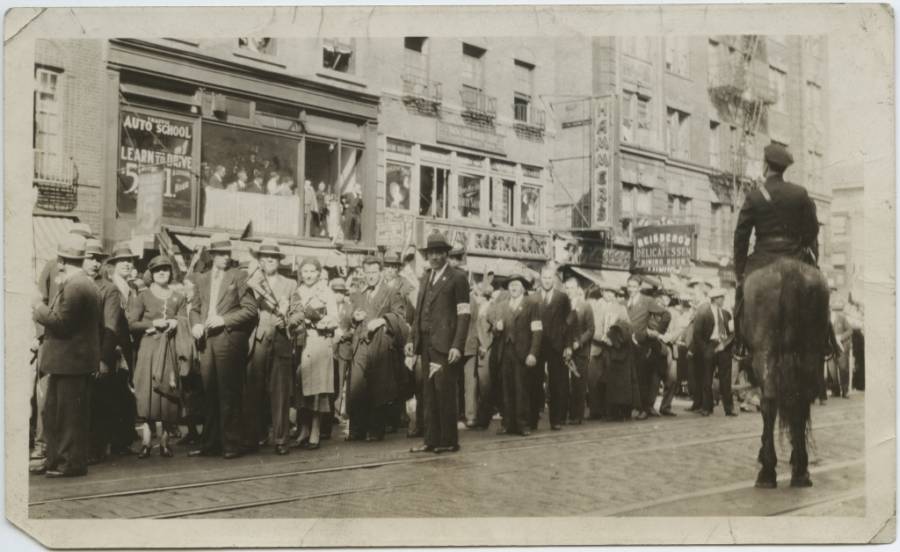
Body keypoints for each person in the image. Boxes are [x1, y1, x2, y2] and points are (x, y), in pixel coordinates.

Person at [733, 143, 822, 360]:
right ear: (783, 168)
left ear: (766, 166)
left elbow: (741, 235)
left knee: (741, 296)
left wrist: (739, 272)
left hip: (762, 258)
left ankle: (739, 344)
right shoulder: (800, 194)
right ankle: (825, 340)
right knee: (818, 293)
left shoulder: (754, 196)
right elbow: (812, 230)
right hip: (795, 256)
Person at [30, 235, 100, 478]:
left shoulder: (75, 287)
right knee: (61, 416)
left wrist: (38, 306)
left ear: (61, 261)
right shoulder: (83, 284)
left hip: (70, 362)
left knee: (67, 418)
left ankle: (68, 464)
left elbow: (62, 323)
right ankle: (58, 460)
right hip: (71, 362)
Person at [188, 234, 258, 459]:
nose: (225, 257)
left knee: (228, 392)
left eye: (227, 253)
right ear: (212, 255)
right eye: (220, 254)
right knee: (209, 392)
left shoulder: (238, 276)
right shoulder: (202, 278)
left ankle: (231, 444)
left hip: (229, 340)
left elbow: (250, 310)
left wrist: (224, 320)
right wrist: (196, 324)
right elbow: (194, 308)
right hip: (206, 341)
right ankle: (210, 443)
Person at [407, 232, 471, 454]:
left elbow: (464, 314)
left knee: (444, 392)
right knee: (428, 393)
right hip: (425, 344)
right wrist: (412, 340)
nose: (435, 257)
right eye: (431, 253)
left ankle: (449, 440)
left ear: (446, 254)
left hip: (445, 345)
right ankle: (430, 440)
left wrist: (457, 345)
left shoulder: (458, 278)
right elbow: (418, 313)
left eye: (439, 252)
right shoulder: (426, 278)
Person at [127, 256, 186, 458]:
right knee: (147, 393)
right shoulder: (142, 297)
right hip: (149, 349)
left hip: (170, 349)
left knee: (168, 394)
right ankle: (146, 442)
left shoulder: (178, 297)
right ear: (151, 273)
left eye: (166, 269)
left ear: (171, 272)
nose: (162, 273)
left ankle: (165, 442)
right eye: (158, 269)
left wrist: (177, 322)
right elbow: (132, 323)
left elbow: (184, 318)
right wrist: (153, 325)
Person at [346, 256, 408, 441]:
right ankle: (356, 429)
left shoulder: (391, 292)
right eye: (368, 273)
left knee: (378, 387)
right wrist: (354, 316)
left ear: (380, 272)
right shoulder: (359, 293)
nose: (371, 276)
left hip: (380, 345)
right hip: (360, 344)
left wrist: (382, 320)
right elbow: (349, 316)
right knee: (356, 386)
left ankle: (375, 429)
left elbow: (400, 317)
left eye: (374, 272)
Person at [244, 239, 297, 455]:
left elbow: (297, 312)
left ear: (279, 261)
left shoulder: (290, 284)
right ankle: (254, 437)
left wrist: (288, 321)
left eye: (273, 257)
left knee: (281, 394)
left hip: (281, 342)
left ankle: (281, 439)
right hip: (257, 341)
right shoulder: (252, 282)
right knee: (254, 392)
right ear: (260, 261)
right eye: (265, 258)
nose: (269, 261)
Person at [82, 239, 131, 464]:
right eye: (89, 258)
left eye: (97, 259)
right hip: (76, 354)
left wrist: (103, 359)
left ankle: (96, 448)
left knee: (99, 402)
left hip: (99, 352)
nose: (94, 263)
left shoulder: (108, 289)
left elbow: (111, 327)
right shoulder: (74, 283)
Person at [288, 257, 339, 450]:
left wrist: (322, 321)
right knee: (302, 388)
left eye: (312, 271)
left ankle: (316, 429)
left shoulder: (326, 292)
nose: (308, 275)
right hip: (301, 342)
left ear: (318, 273)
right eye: (305, 271)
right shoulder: (297, 292)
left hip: (319, 341)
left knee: (317, 389)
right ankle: (304, 429)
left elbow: (334, 319)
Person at [492, 273, 542, 436]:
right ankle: (508, 424)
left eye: (517, 285)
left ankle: (523, 424)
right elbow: (496, 330)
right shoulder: (502, 305)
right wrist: (496, 329)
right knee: (506, 389)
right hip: (505, 352)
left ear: (523, 288)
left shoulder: (531, 304)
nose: (513, 288)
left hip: (523, 353)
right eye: (511, 285)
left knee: (522, 389)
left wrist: (533, 353)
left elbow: (537, 331)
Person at [535, 266, 573, 431]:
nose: (547, 280)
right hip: (537, 345)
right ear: (540, 278)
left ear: (554, 279)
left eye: (550, 278)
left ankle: (556, 420)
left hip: (557, 346)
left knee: (557, 383)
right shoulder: (533, 298)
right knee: (534, 382)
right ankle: (532, 419)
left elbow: (568, 324)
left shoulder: (562, 298)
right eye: (544, 277)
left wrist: (568, 346)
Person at [692, 288, 736, 417]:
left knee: (726, 380)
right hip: (709, 346)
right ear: (715, 299)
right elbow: (697, 335)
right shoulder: (703, 313)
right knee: (707, 378)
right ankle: (707, 407)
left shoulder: (726, 314)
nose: (723, 300)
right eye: (721, 297)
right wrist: (706, 349)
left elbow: (732, 333)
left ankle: (729, 408)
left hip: (724, 347)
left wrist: (725, 344)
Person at [564, 277, 594, 425]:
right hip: (564, 351)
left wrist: (579, 342)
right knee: (564, 383)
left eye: (571, 288)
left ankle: (577, 415)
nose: (569, 291)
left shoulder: (585, 306)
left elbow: (590, 329)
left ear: (578, 289)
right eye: (567, 288)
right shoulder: (563, 305)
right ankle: (566, 413)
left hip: (580, 351)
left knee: (578, 383)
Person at [626, 275, 655, 420]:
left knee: (642, 378)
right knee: (633, 378)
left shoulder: (647, 301)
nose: (631, 289)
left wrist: (654, 331)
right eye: (629, 286)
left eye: (633, 286)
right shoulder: (627, 302)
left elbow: (665, 315)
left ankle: (645, 408)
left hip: (642, 345)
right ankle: (635, 407)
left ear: (639, 287)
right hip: (628, 345)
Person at [828, 299, 853, 398]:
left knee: (843, 368)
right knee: (832, 369)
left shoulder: (842, 319)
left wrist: (841, 337)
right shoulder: (826, 319)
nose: (834, 312)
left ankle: (845, 390)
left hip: (841, 347)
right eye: (833, 310)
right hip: (830, 347)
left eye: (836, 310)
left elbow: (850, 330)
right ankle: (835, 390)